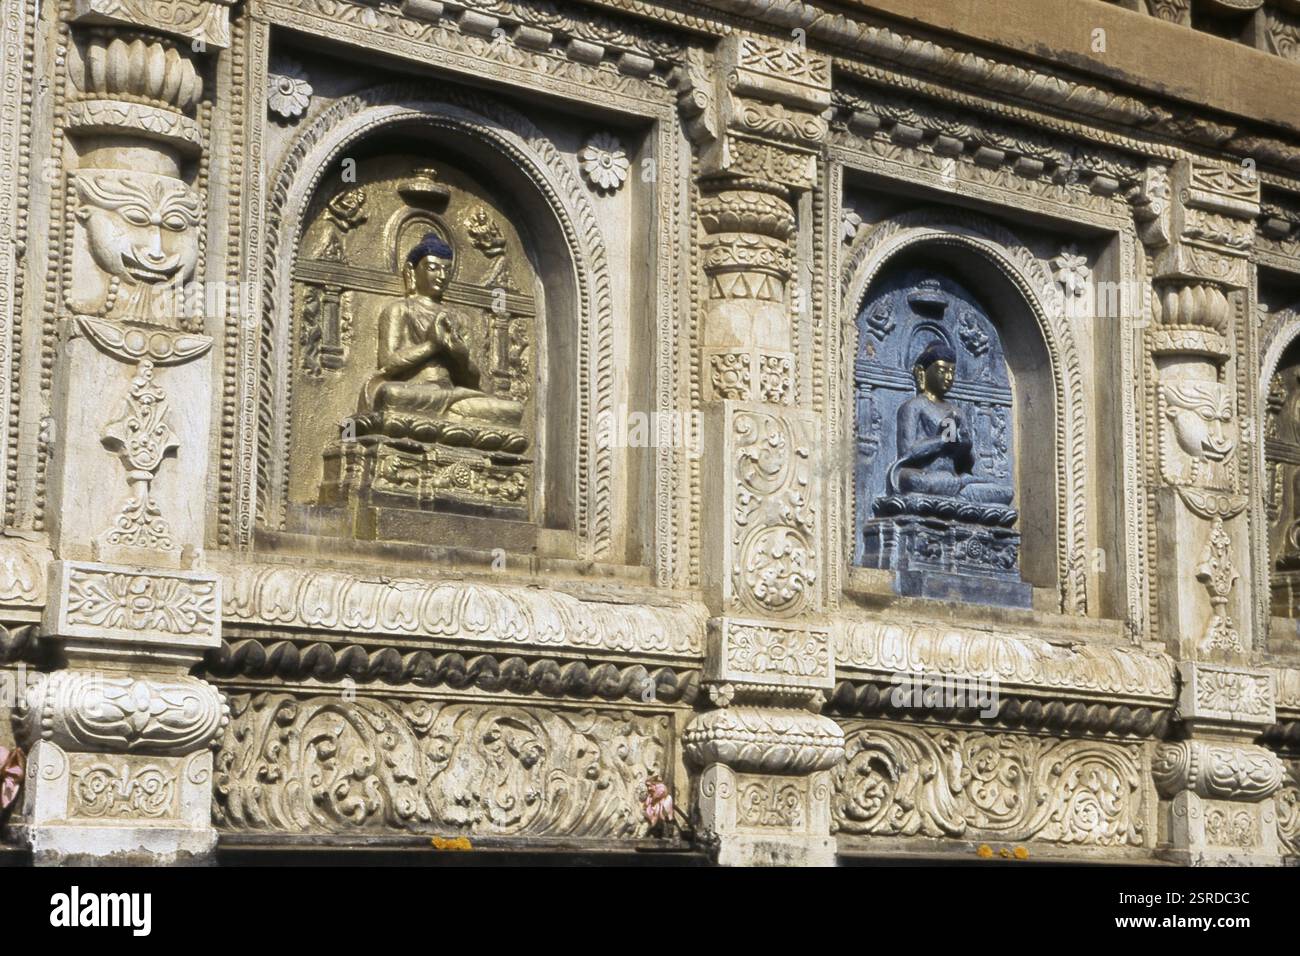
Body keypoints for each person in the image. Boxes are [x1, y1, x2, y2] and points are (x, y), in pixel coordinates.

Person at [361, 233, 522, 427]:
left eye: (447, 269)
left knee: (511, 410)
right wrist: (431, 346)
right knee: (392, 395)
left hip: (453, 393)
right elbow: (387, 363)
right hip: (414, 390)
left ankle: (446, 421)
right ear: (412, 270)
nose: (442, 276)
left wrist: (460, 355)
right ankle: (448, 422)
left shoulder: (459, 318)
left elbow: (473, 381)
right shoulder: (400, 309)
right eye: (433, 268)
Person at [886, 342, 1012, 504]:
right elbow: (907, 452)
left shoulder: (956, 411)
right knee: (913, 481)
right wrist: (942, 440)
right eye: (942, 371)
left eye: (951, 372)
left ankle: (957, 493)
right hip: (926, 475)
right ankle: (958, 494)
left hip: (952, 476)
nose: (948, 377)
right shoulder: (914, 406)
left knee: (1005, 493)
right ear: (922, 372)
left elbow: (966, 464)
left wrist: (964, 445)